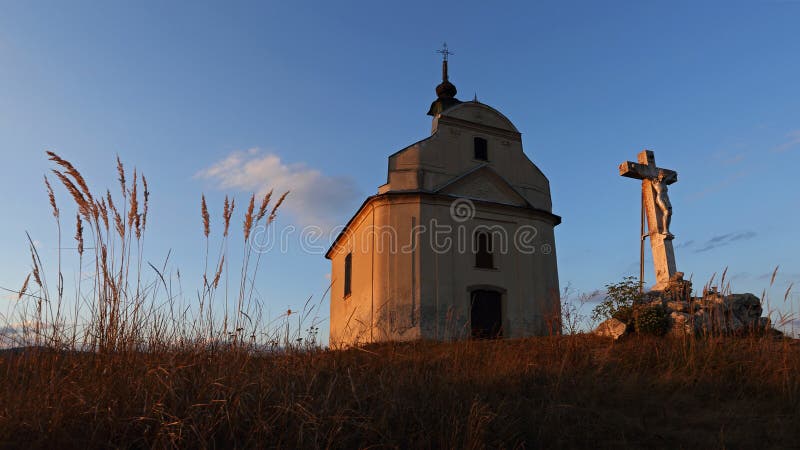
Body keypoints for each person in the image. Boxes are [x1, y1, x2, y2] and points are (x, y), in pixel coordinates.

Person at [651, 170, 673, 236]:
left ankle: (667, 229)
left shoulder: (664, 182)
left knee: (670, 213)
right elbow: (646, 173)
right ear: (659, 175)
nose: (663, 176)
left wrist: (674, 174)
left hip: (666, 198)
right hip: (660, 198)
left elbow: (671, 176)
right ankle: (665, 230)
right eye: (662, 175)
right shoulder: (655, 181)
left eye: (664, 175)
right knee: (666, 212)